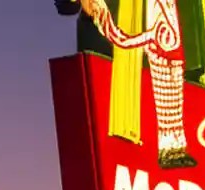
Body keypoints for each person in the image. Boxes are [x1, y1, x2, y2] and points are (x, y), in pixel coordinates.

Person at [80, 0, 197, 170]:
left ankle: (176, 148)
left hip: (171, 49)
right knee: (167, 104)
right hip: (154, 50)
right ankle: (169, 150)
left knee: (174, 104)